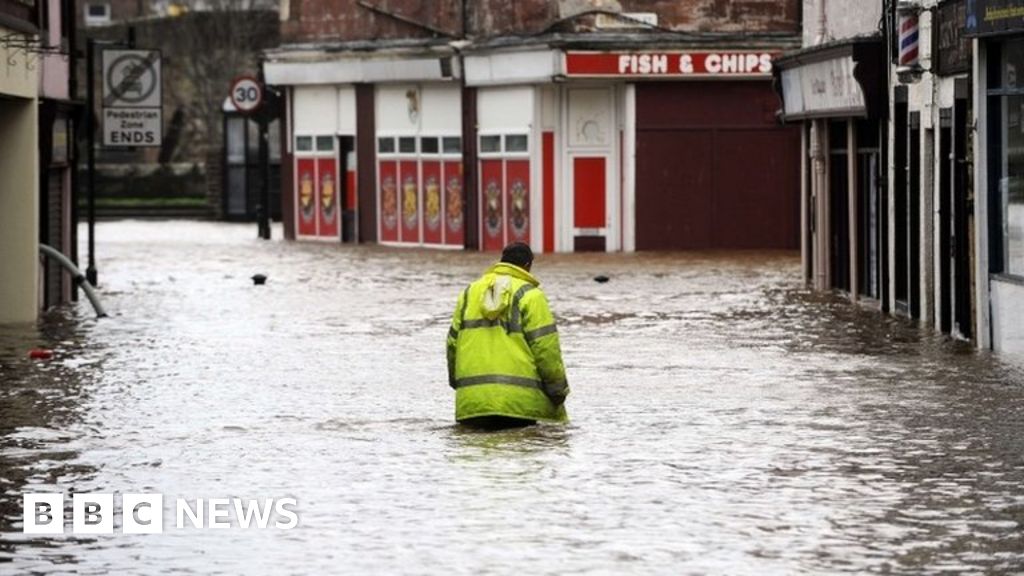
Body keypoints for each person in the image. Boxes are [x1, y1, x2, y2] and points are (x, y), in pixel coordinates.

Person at [446, 242, 569, 428]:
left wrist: (461, 385)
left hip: (473, 403)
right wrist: (558, 391)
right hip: (519, 405)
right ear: (528, 265)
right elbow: (546, 348)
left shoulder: (469, 293)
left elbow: (452, 343)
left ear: (501, 261)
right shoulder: (531, 295)